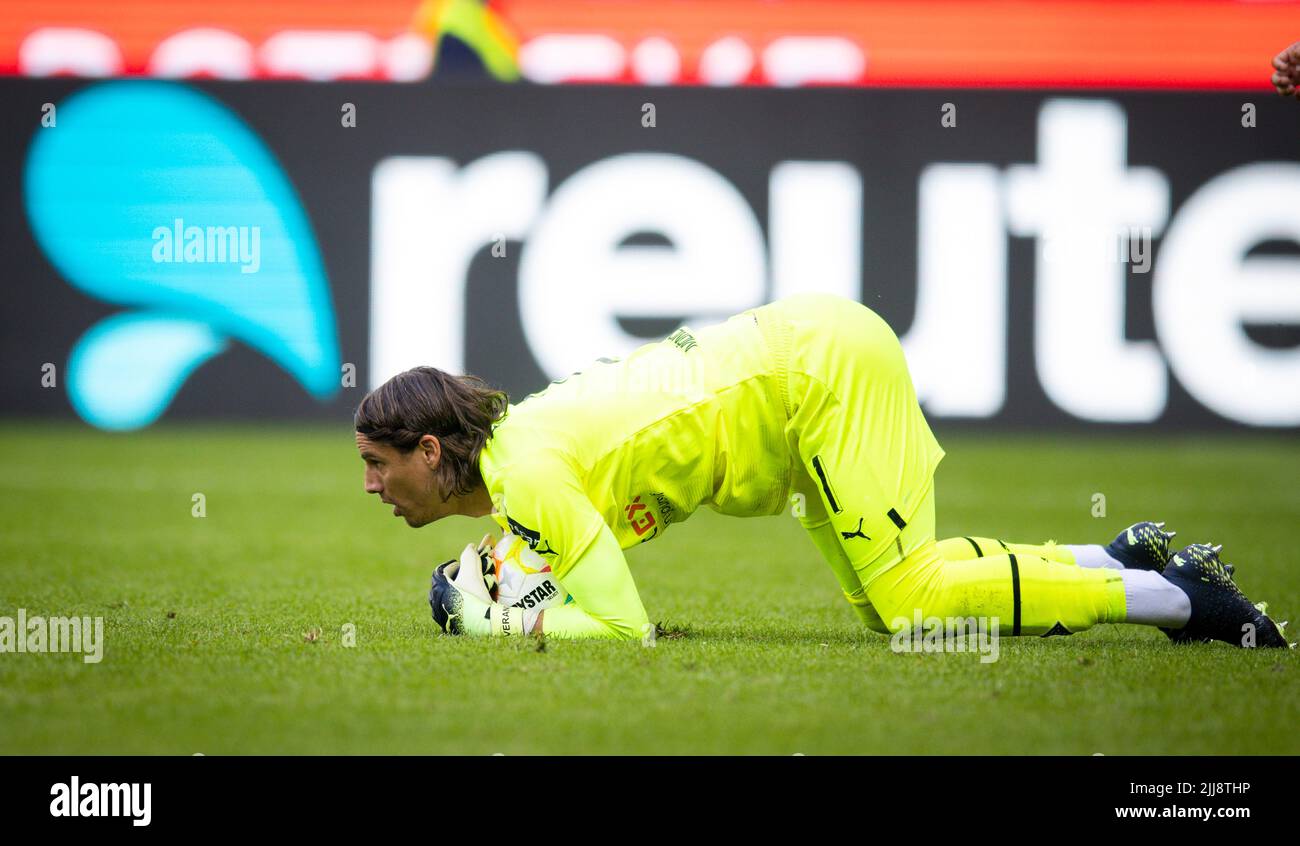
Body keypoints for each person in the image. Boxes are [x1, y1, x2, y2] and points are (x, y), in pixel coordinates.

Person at [354, 293, 1290, 647]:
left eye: (375, 463)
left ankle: (1176, 600)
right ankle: (1111, 557)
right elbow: (557, 537)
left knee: (915, 600)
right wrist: (508, 580)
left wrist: (509, 629)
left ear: (430, 451)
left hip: (814, 377)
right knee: (892, 611)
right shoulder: (519, 456)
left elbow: (627, 625)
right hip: (796, 387)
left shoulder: (531, 475)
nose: (369, 487)